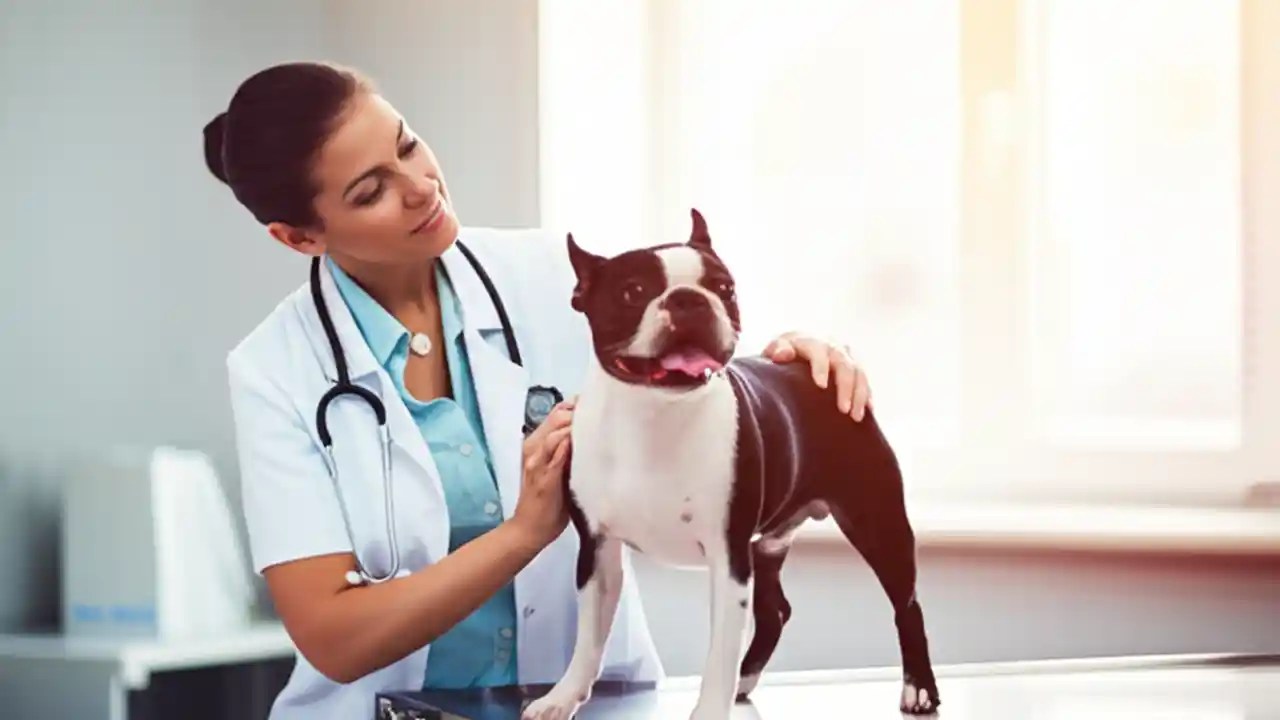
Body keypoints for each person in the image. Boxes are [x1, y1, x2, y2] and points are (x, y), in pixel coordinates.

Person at [209, 61, 875, 720]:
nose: (421, 188)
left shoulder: (548, 274)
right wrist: (523, 534)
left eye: (408, 145)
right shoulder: (276, 371)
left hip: (589, 707)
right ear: (300, 237)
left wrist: (791, 368)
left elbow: (682, 359)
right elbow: (334, 637)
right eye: (370, 191)